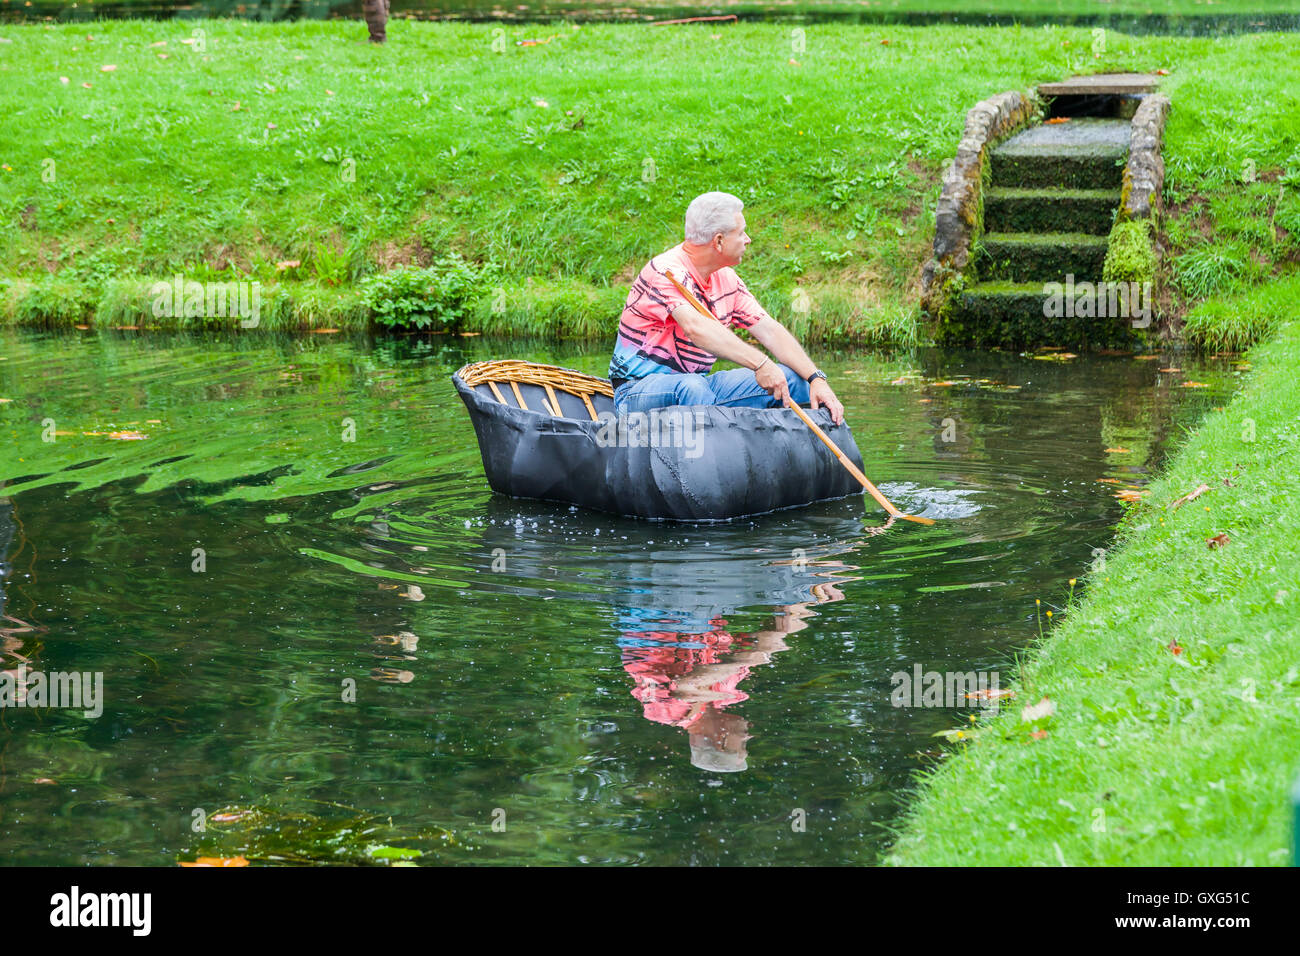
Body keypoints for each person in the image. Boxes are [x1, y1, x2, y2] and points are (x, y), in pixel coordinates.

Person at [609, 191, 845, 425]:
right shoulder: (666, 272)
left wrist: (816, 378)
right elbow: (696, 329)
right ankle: (709, 457)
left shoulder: (727, 279)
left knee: (793, 380)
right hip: (635, 391)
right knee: (692, 388)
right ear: (719, 241)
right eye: (741, 233)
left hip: (699, 386)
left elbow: (770, 331)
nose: (748, 239)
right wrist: (761, 364)